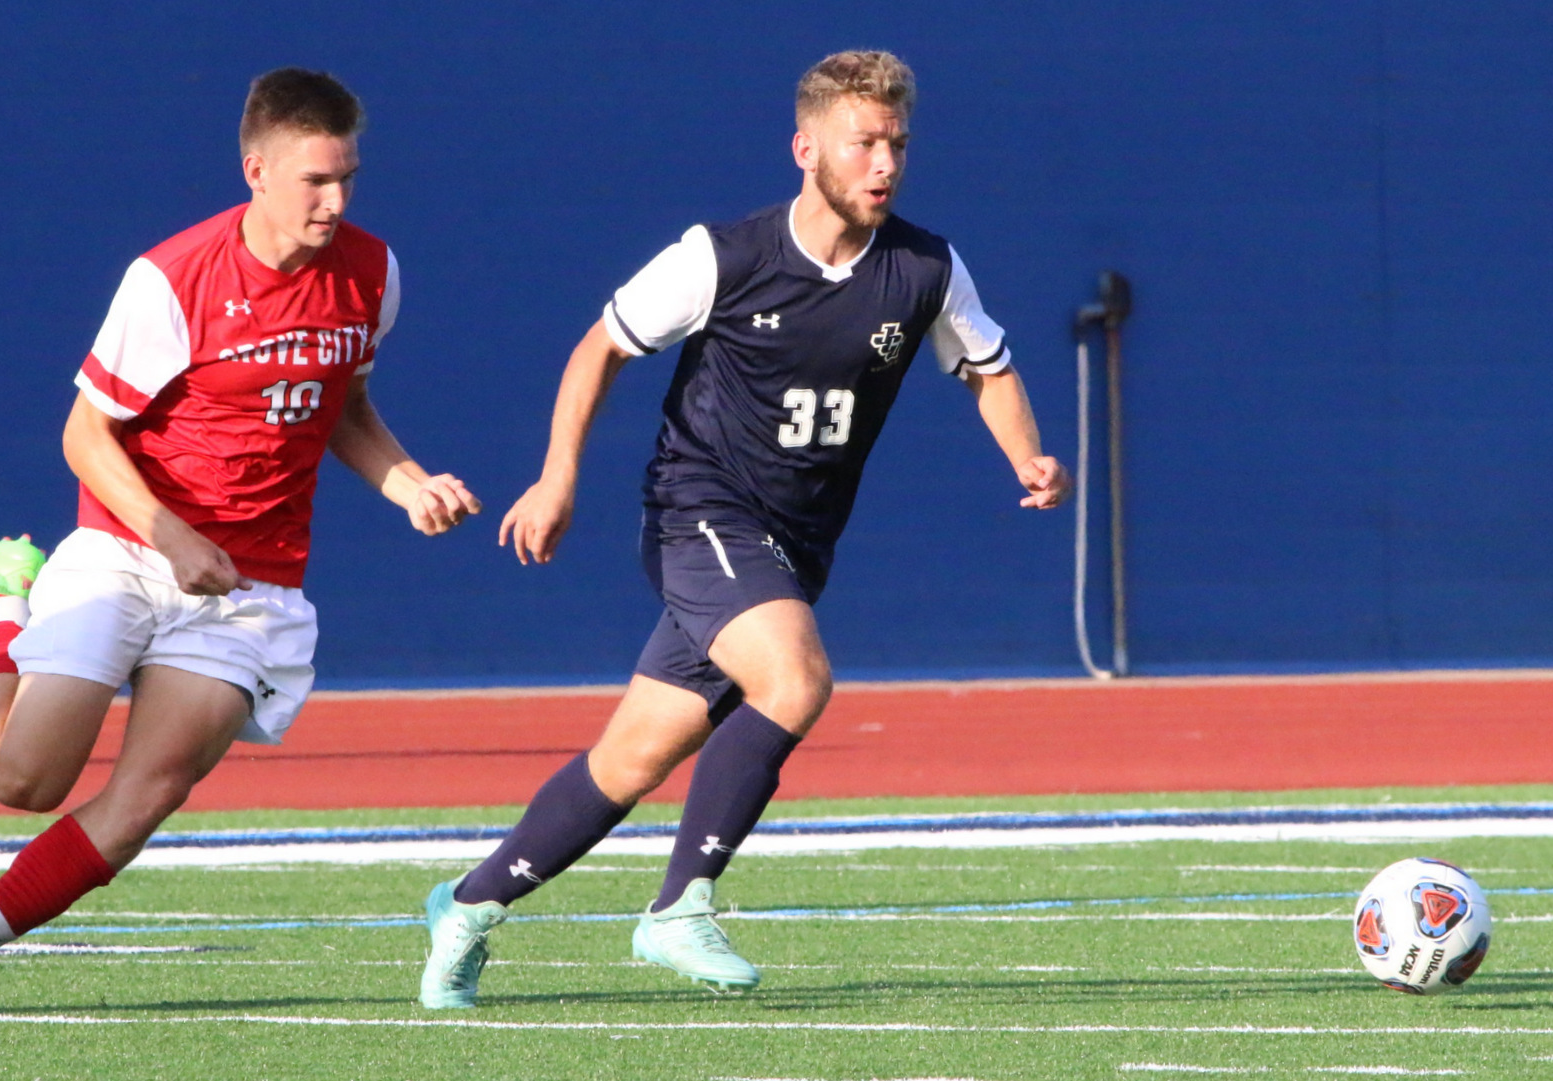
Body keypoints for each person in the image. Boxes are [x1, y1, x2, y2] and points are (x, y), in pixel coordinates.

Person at [418, 49, 1070, 1006]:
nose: (883, 163)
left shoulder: (926, 267)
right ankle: (680, 906)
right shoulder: (722, 256)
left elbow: (989, 367)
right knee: (797, 676)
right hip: (701, 509)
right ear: (806, 148)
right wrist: (557, 477)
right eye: (862, 144)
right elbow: (598, 350)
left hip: (797, 545)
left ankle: (468, 906)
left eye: (896, 143)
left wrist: (1028, 456)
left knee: (635, 755)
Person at [0, 67, 480, 1012]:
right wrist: (169, 536)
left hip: (252, 585)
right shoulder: (172, 278)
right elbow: (85, 435)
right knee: (23, 777)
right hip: (131, 547)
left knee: (150, 791)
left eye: (348, 179)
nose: (334, 202)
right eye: (314, 181)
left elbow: (345, 407)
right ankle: (1, 588)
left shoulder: (373, 272)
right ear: (256, 169)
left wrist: (407, 482)